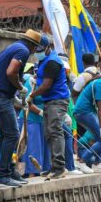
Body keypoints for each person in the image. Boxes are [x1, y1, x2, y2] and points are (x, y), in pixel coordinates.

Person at [0, 29, 41, 187]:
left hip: (0, 94)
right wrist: (20, 87)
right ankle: (3, 175)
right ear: (34, 47)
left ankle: (9, 170)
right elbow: (11, 72)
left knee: (5, 134)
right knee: (12, 134)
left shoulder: (14, 47)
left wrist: (14, 96)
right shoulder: (22, 51)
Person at [27, 35, 70, 180]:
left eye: (39, 50)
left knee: (55, 131)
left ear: (47, 48)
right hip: (49, 100)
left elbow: (46, 86)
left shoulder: (52, 62)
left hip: (57, 100)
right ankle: (54, 166)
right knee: (49, 133)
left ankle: (59, 167)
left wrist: (32, 95)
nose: (37, 52)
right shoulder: (43, 60)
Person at [17, 63, 48, 177]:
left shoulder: (47, 83)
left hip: (41, 121)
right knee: (32, 149)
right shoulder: (31, 83)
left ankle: (39, 172)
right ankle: (30, 175)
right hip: (29, 119)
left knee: (40, 149)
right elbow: (27, 102)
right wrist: (40, 112)